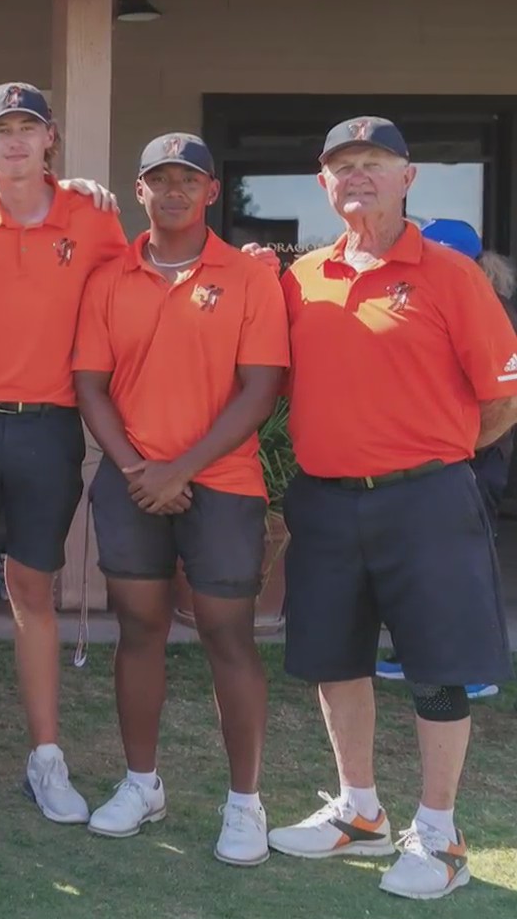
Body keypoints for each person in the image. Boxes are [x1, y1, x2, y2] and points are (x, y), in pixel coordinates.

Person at [267, 117, 517, 900]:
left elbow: (502, 399)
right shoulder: (301, 277)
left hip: (427, 501)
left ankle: (439, 837)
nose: (358, 177)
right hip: (327, 503)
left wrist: (435, 454)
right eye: (343, 166)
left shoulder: (451, 274)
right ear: (323, 185)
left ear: (408, 177)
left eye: (374, 163)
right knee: (335, 659)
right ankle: (360, 813)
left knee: (438, 671)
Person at [71, 133, 287, 864]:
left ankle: (245, 803)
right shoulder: (110, 277)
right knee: (138, 631)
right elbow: (90, 388)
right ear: (139, 192)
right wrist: (139, 468)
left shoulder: (250, 277)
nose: (172, 192)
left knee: (228, 635)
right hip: (133, 480)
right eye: (158, 180)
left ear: (211, 192)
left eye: (186, 180)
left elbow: (260, 389)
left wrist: (180, 469)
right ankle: (140, 783)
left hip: (223, 483)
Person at [0, 82, 127, 823]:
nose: (13, 143)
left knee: (34, 593)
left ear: (49, 141)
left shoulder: (94, 218)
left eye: (27, 130)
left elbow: (142, 294)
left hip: (48, 426)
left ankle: (46, 759)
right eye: (0, 132)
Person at [374, 218, 505, 700]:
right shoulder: (427, 298)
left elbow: (502, 397)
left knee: (463, 568)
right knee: (421, 569)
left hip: (471, 459)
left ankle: (475, 672)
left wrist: (458, 450)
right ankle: (411, 656)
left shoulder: (487, 306)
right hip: (436, 462)